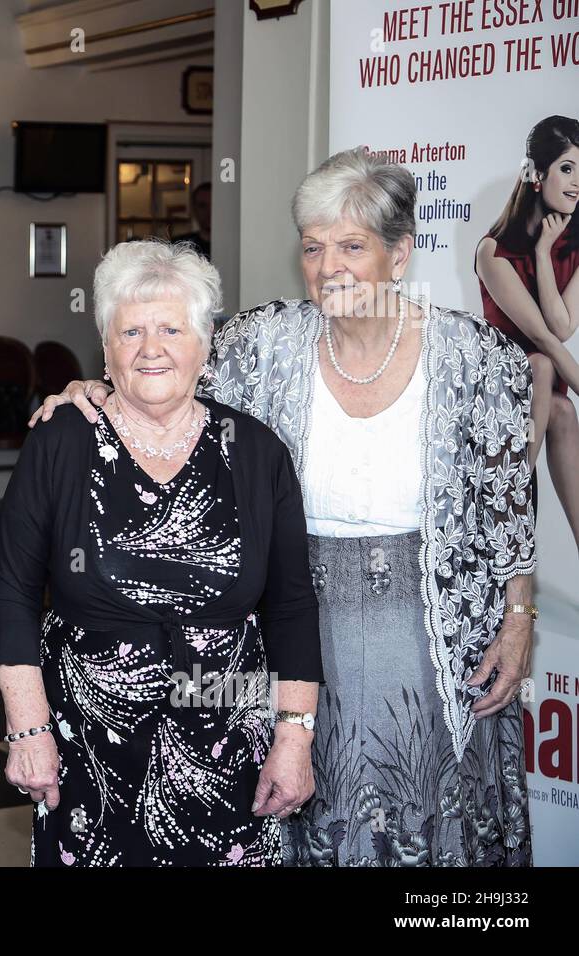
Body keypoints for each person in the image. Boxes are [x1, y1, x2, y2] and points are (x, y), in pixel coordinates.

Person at [35, 147, 537, 867]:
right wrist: (90, 390)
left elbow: (509, 508)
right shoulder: (261, 342)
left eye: (352, 247)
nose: (329, 266)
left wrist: (518, 620)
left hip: (431, 633)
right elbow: (160, 364)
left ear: (400, 254)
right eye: (312, 247)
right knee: (298, 805)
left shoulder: (477, 356)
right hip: (293, 622)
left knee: (430, 825)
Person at [0, 240, 322, 867]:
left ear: (204, 343)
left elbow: (292, 608)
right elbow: (11, 592)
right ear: (106, 348)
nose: (151, 348)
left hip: (231, 757)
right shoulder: (61, 441)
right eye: (131, 331)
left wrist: (295, 737)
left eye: (171, 328)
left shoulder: (256, 452)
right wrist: (28, 729)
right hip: (88, 757)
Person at [476, 114, 579, 553]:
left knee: (563, 410)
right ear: (536, 174)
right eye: (567, 168)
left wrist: (543, 254)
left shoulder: (573, 248)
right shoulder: (493, 250)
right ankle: (512, 497)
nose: (577, 183)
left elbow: (562, 326)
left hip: (544, 392)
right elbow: (543, 339)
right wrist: (536, 250)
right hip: (500, 390)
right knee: (540, 365)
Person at [172, 182, 212, 260]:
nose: (209, 211)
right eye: (202, 205)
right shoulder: (180, 245)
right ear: (194, 209)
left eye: (213, 205)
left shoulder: (232, 244)